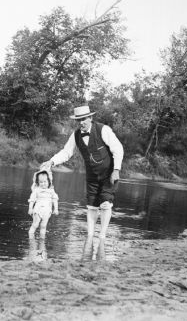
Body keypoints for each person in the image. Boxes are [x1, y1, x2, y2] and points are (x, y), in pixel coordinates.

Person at [40, 105, 123, 261]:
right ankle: (90, 235)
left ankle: (103, 237)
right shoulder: (76, 135)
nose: (82, 122)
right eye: (79, 120)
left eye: (84, 119)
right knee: (91, 206)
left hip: (109, 173)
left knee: (105, 203)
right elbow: (66, 152)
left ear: (90, 118)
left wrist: (116, 170)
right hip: (91, 174)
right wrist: (51, 162)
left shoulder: (103, 130)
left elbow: (118, 149)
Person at [27, 169, 59, 238]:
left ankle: (42, 240)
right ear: (38, 182)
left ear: (49, 181)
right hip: (38, 210)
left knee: (43, 226)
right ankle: (31, 238)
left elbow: (55, 200)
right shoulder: (36, 190)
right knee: (35, 224)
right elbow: (32, 200)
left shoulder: (51, 191)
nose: (43, 183)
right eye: (41, 182)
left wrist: (56, 209)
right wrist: (30, 208)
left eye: (45, 181)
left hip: (47, 211)